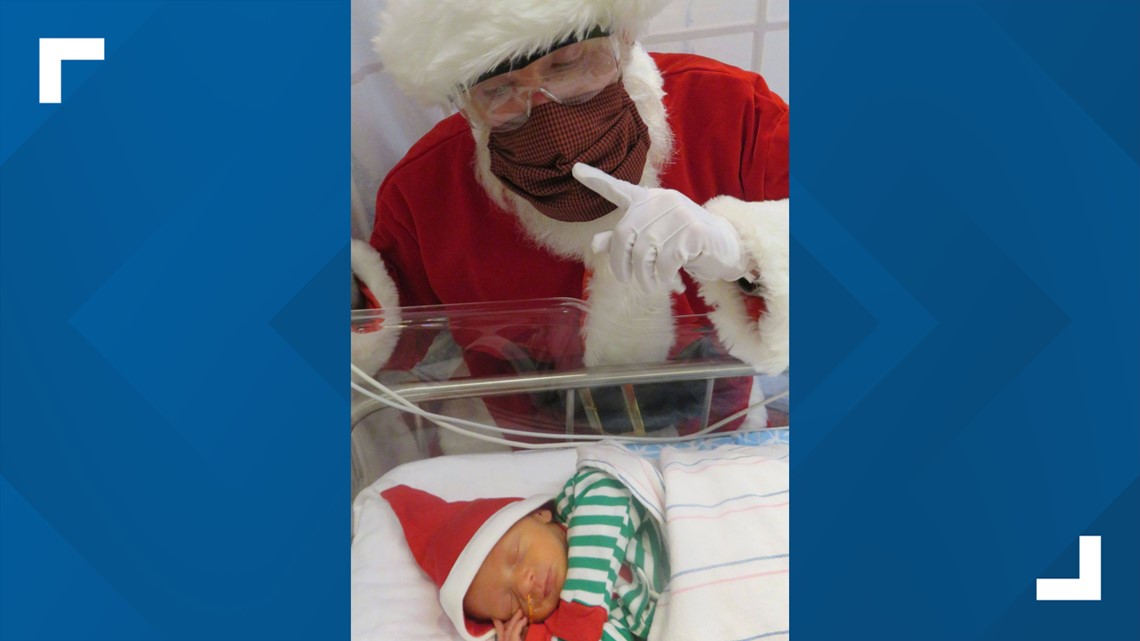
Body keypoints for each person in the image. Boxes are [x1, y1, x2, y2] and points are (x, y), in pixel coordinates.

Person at [352, 0, 789, 433]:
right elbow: (392, 339)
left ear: (624, 38)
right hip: (529, 454)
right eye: (498, 90)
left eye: (566, 63)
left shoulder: (731, 111)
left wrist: (744, 253)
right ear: (463, 98)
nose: (545, 106)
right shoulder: (426, 187)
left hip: (722, 443)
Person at [383, 466, 666, 641]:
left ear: (540, 514)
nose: (523, 585)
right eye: (512, 603)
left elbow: (611, 487)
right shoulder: (571, 624)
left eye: (516, 554)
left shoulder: (581, 500)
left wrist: (581, 611)